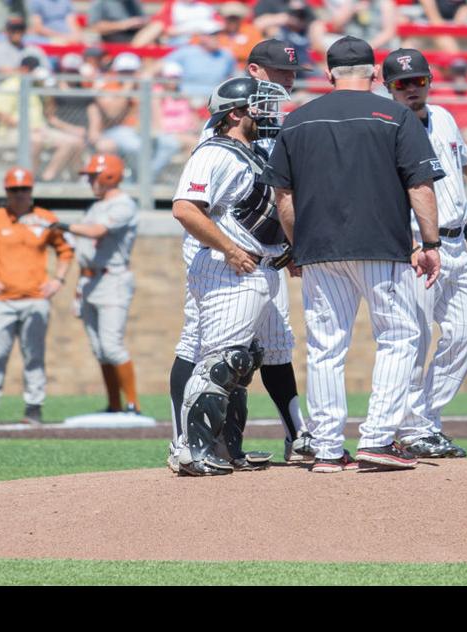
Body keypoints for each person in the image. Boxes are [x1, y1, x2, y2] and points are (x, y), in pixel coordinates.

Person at [263, 36, 445, 472]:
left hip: (319, 249)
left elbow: (282, 194)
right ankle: (378, 438)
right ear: (376, 75)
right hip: (382, 247)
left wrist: (297, 246)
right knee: (399, 338)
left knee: (326, 348)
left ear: (329, 75)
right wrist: (432, 243)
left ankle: (326, 447)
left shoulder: (298, 119)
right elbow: (419, 185)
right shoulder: (397, 115)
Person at [170, 38, 310, 467]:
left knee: (260, 353)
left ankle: (230, 446)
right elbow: (189, 207)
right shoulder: (219, 142)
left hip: (258, 256)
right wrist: (228, 248)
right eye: (281, 74)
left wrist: (285, 245)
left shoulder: (262, 136)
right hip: (221, 256)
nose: (287, 85)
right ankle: (189, 447)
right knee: (214, 355)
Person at [381, 48, 467, 459]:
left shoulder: (442, 116)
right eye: (402, 83)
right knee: (416, 337)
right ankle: (413, 426)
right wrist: (407, 244)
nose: (411, 89)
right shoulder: (384, 125)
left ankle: (421, 419)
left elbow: (463, 159)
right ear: (388, 87)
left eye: (418, 81)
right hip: (414, 246)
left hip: (457, 242)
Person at [0, 167, 73, 426]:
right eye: (14, 190)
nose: (20, 195)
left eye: (25, 189)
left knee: (34, 354)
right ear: (6, 191)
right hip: (2, 301)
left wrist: (59, 279)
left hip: (35, 299)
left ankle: (34, 406)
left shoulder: (44, 218)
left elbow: (65, 249)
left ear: (31, 191)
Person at [47, 154, 143, 414]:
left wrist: (63, 225)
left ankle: (133, 404)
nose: (90, 181)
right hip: (89, 279)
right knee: (100, 349)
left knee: (112, 346)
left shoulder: (124, 205)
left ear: (108, 175)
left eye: (93, 175)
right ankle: (114, 404)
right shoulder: (94, 206)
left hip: (112, 279)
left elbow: (97, 231)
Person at [0, 55, 85, 182]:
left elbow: (49, 113)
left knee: (74, 141)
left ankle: (49, 178)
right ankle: (29, 180)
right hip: (13, 131)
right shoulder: (9, 86)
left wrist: (47, 89)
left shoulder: (37, 86)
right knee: (36, 140)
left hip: (41, 130)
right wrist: (29, 128)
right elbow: (3, 116)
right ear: (24, 69)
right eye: (32, 70)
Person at [161, 27, 239, 99]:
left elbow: (234, 77)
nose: (217, 38)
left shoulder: (226, 55)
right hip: (188, 102)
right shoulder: (187, 52)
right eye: (213, 35)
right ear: (203, 37)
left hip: (215, 102)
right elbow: (160, 65)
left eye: (218, 35)